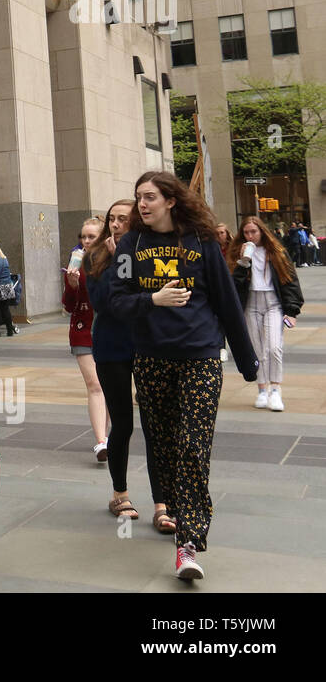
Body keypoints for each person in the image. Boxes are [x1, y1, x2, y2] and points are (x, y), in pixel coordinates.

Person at [108, 171, 259, 581]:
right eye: (138, 196)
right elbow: (114, 302)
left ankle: (188, 544)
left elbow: (228, 304)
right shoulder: (130, 244)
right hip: (152, 357)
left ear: (171, 200)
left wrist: (248, 362)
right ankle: (175, 509)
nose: (142, 204)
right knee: (164, 447)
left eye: (151, 196)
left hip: (201, 355)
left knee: (193, 445)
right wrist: (152, 299)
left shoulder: (203, 241)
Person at [84, 199, 170, 532]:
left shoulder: (153, 251)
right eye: (112, 219)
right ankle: (120, 494)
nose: (117, 224)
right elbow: (108, 303)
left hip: (150, 344)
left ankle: (162, 503)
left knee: (155, 426)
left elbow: (153, 293)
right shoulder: (96, 257)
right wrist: (120, 258)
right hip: (112, 347)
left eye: (124, 219)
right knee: (123, 423)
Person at [228, 216, 302, 412]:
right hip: (250, 303)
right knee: (257, 350)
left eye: (254, 231)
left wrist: (292, 310)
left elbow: (290, 281)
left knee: (274, 348)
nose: (250, 235)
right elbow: (232, 287)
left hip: (273, 303)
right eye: (246, 232)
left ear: (262, 231)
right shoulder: (238, 252)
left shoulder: (277, 252)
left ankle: (276, 390)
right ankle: (262, 390)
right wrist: (243, 263)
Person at [63, 217, 107, 463]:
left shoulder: (111, 260)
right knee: (95, 385)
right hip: (82, 330)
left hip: (110, 330)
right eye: (83, 236)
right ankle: (100, 441)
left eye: (91, 237)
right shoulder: (75, 263)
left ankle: (108, 437)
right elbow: (69, 305)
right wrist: (72, 284)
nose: (85, 241)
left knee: (108, 387)